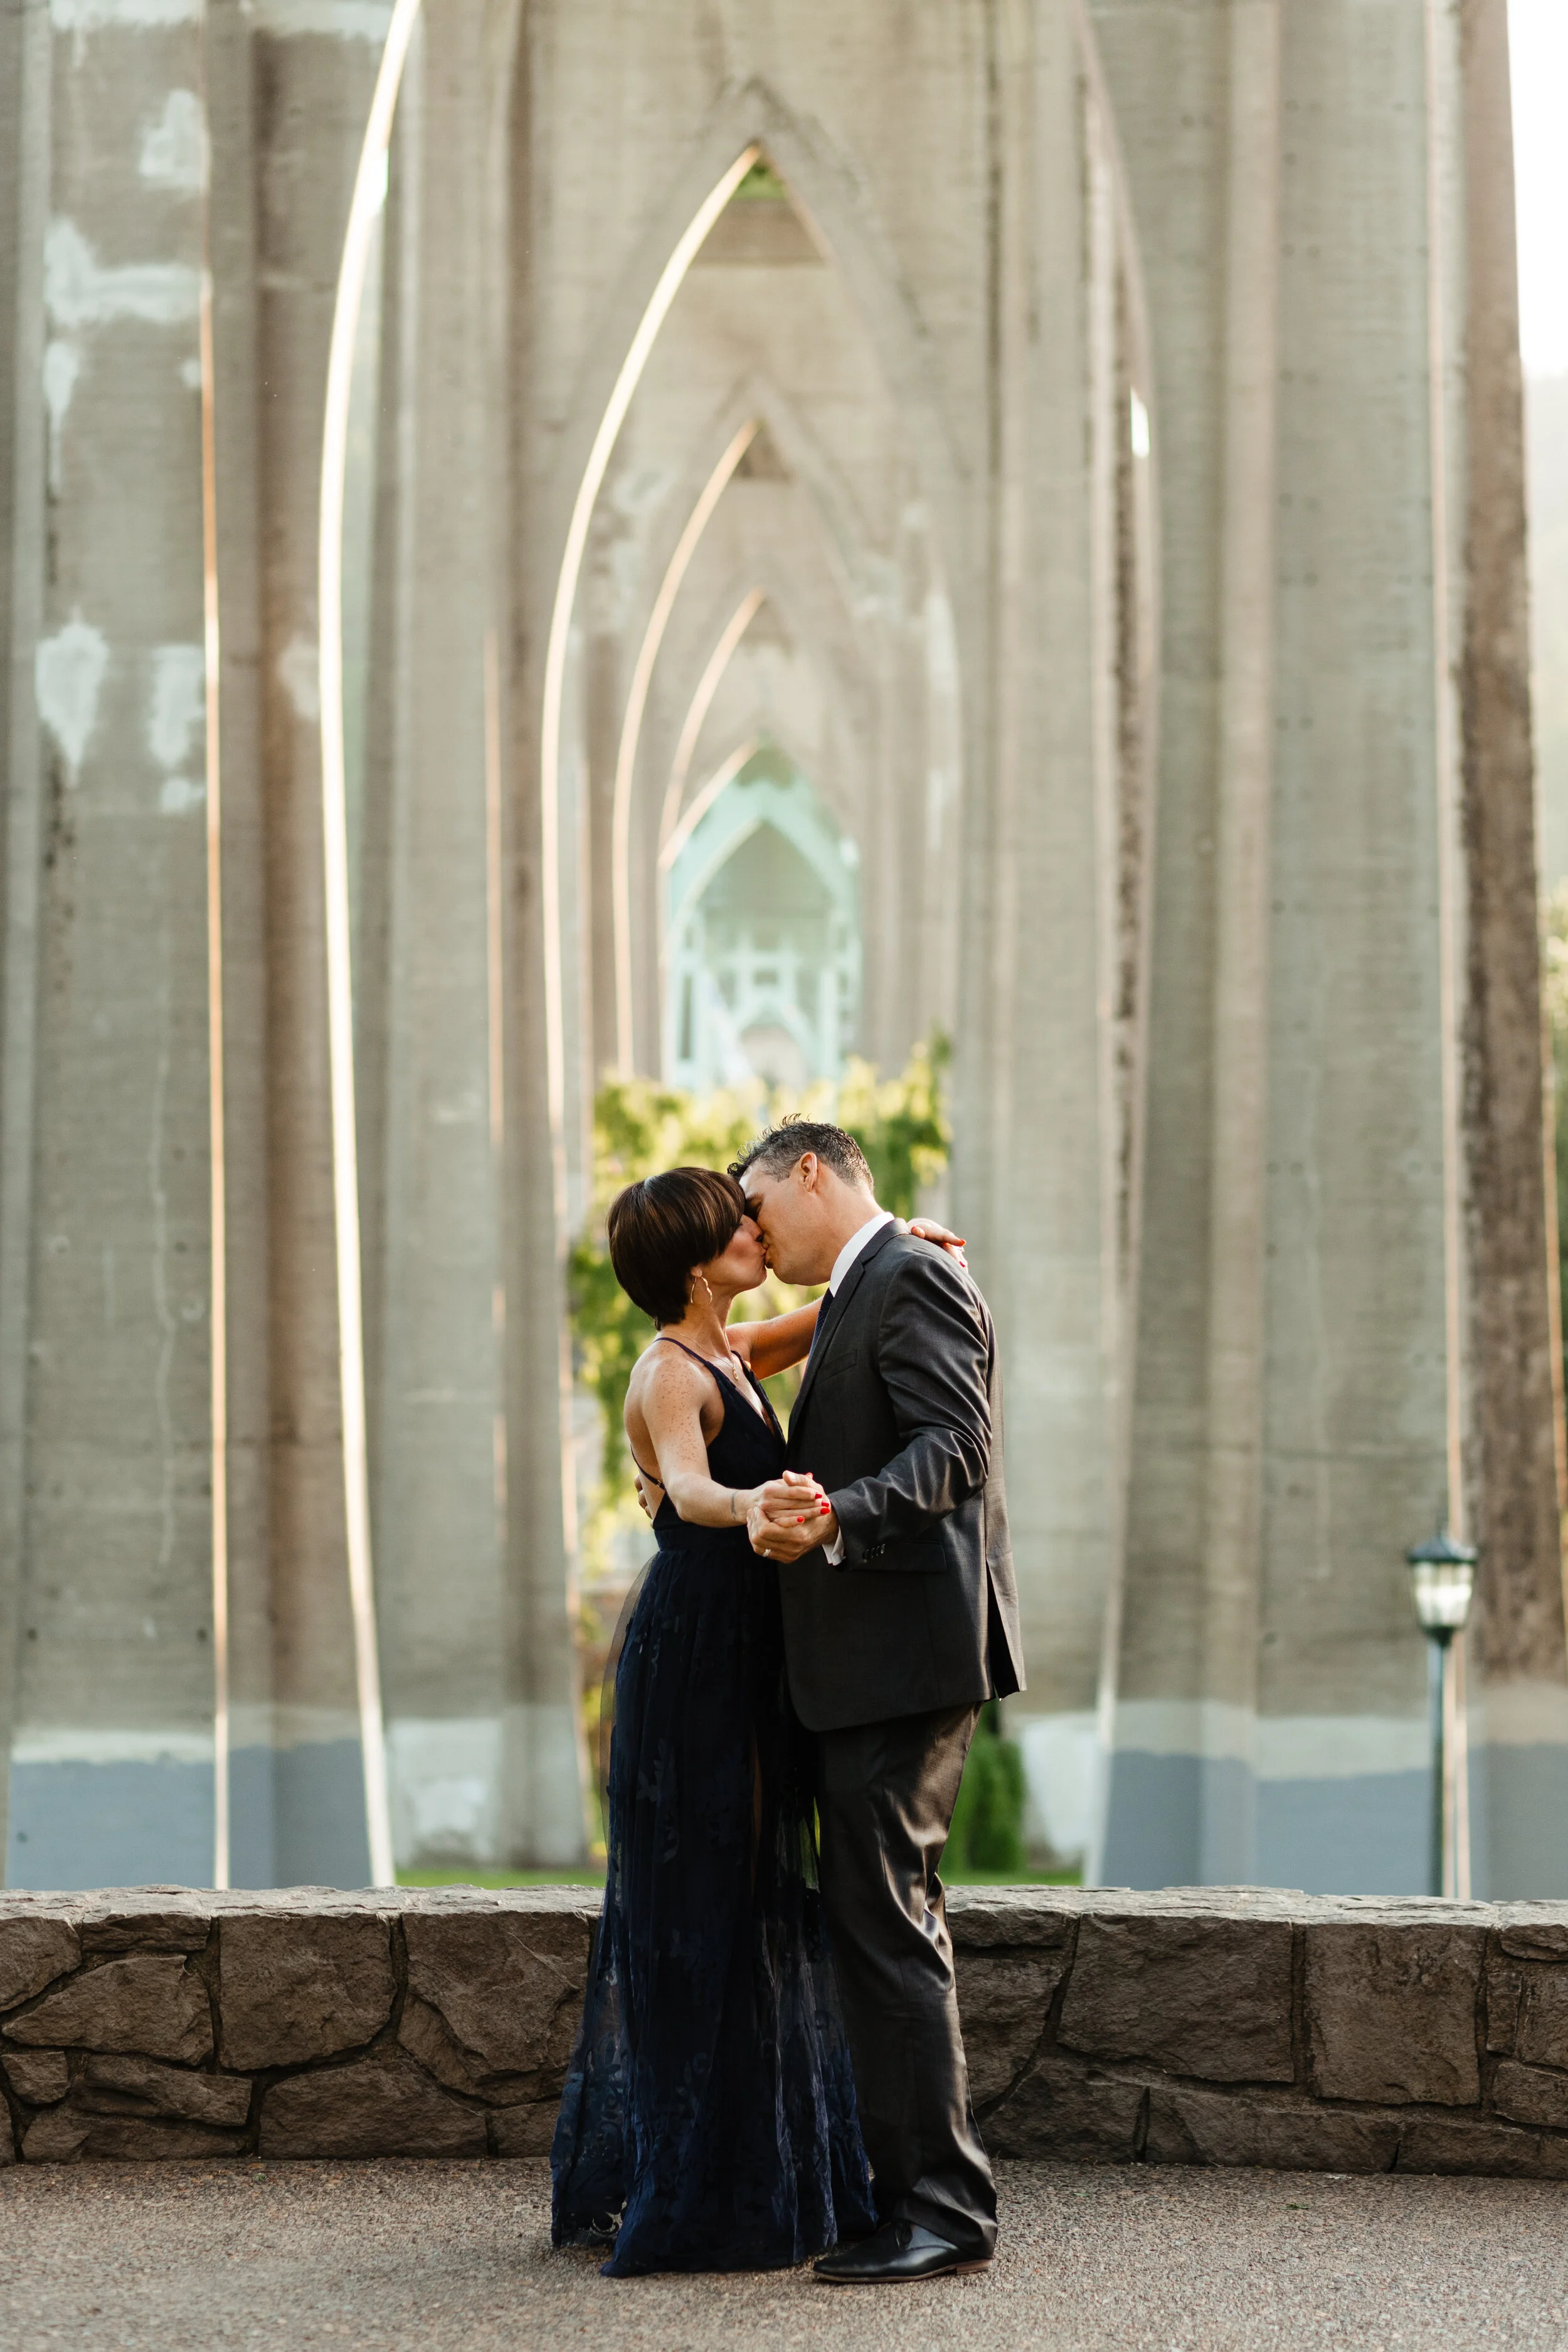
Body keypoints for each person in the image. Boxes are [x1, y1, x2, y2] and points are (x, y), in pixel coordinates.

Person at [549, 1162, 965, 2277]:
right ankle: (701, 2187)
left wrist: (903, 1239)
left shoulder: (734, 1346)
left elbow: (844, 1300)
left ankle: (773, 2170)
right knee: (706, 1901)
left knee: (763, 1900)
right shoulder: (666, 1369)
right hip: (697, 1651)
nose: (753, 1225)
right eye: (732, 1221)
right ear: (697, 1260)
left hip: (756, 1648)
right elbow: (685, 1488)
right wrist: (761, 1505)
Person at [735, 1119, 1024, 2286]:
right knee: (882, 1925)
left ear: (814, 1171)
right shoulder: (879, 1273)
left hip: (903, 1662)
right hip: (874, 1663)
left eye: (759, 1207)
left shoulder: (910, 1275)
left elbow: (958, 1444)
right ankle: (907, 2193)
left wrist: (839, 1514)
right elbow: (729, 1349)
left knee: (892, 1928)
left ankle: (944, 2213)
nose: (755, 1232)